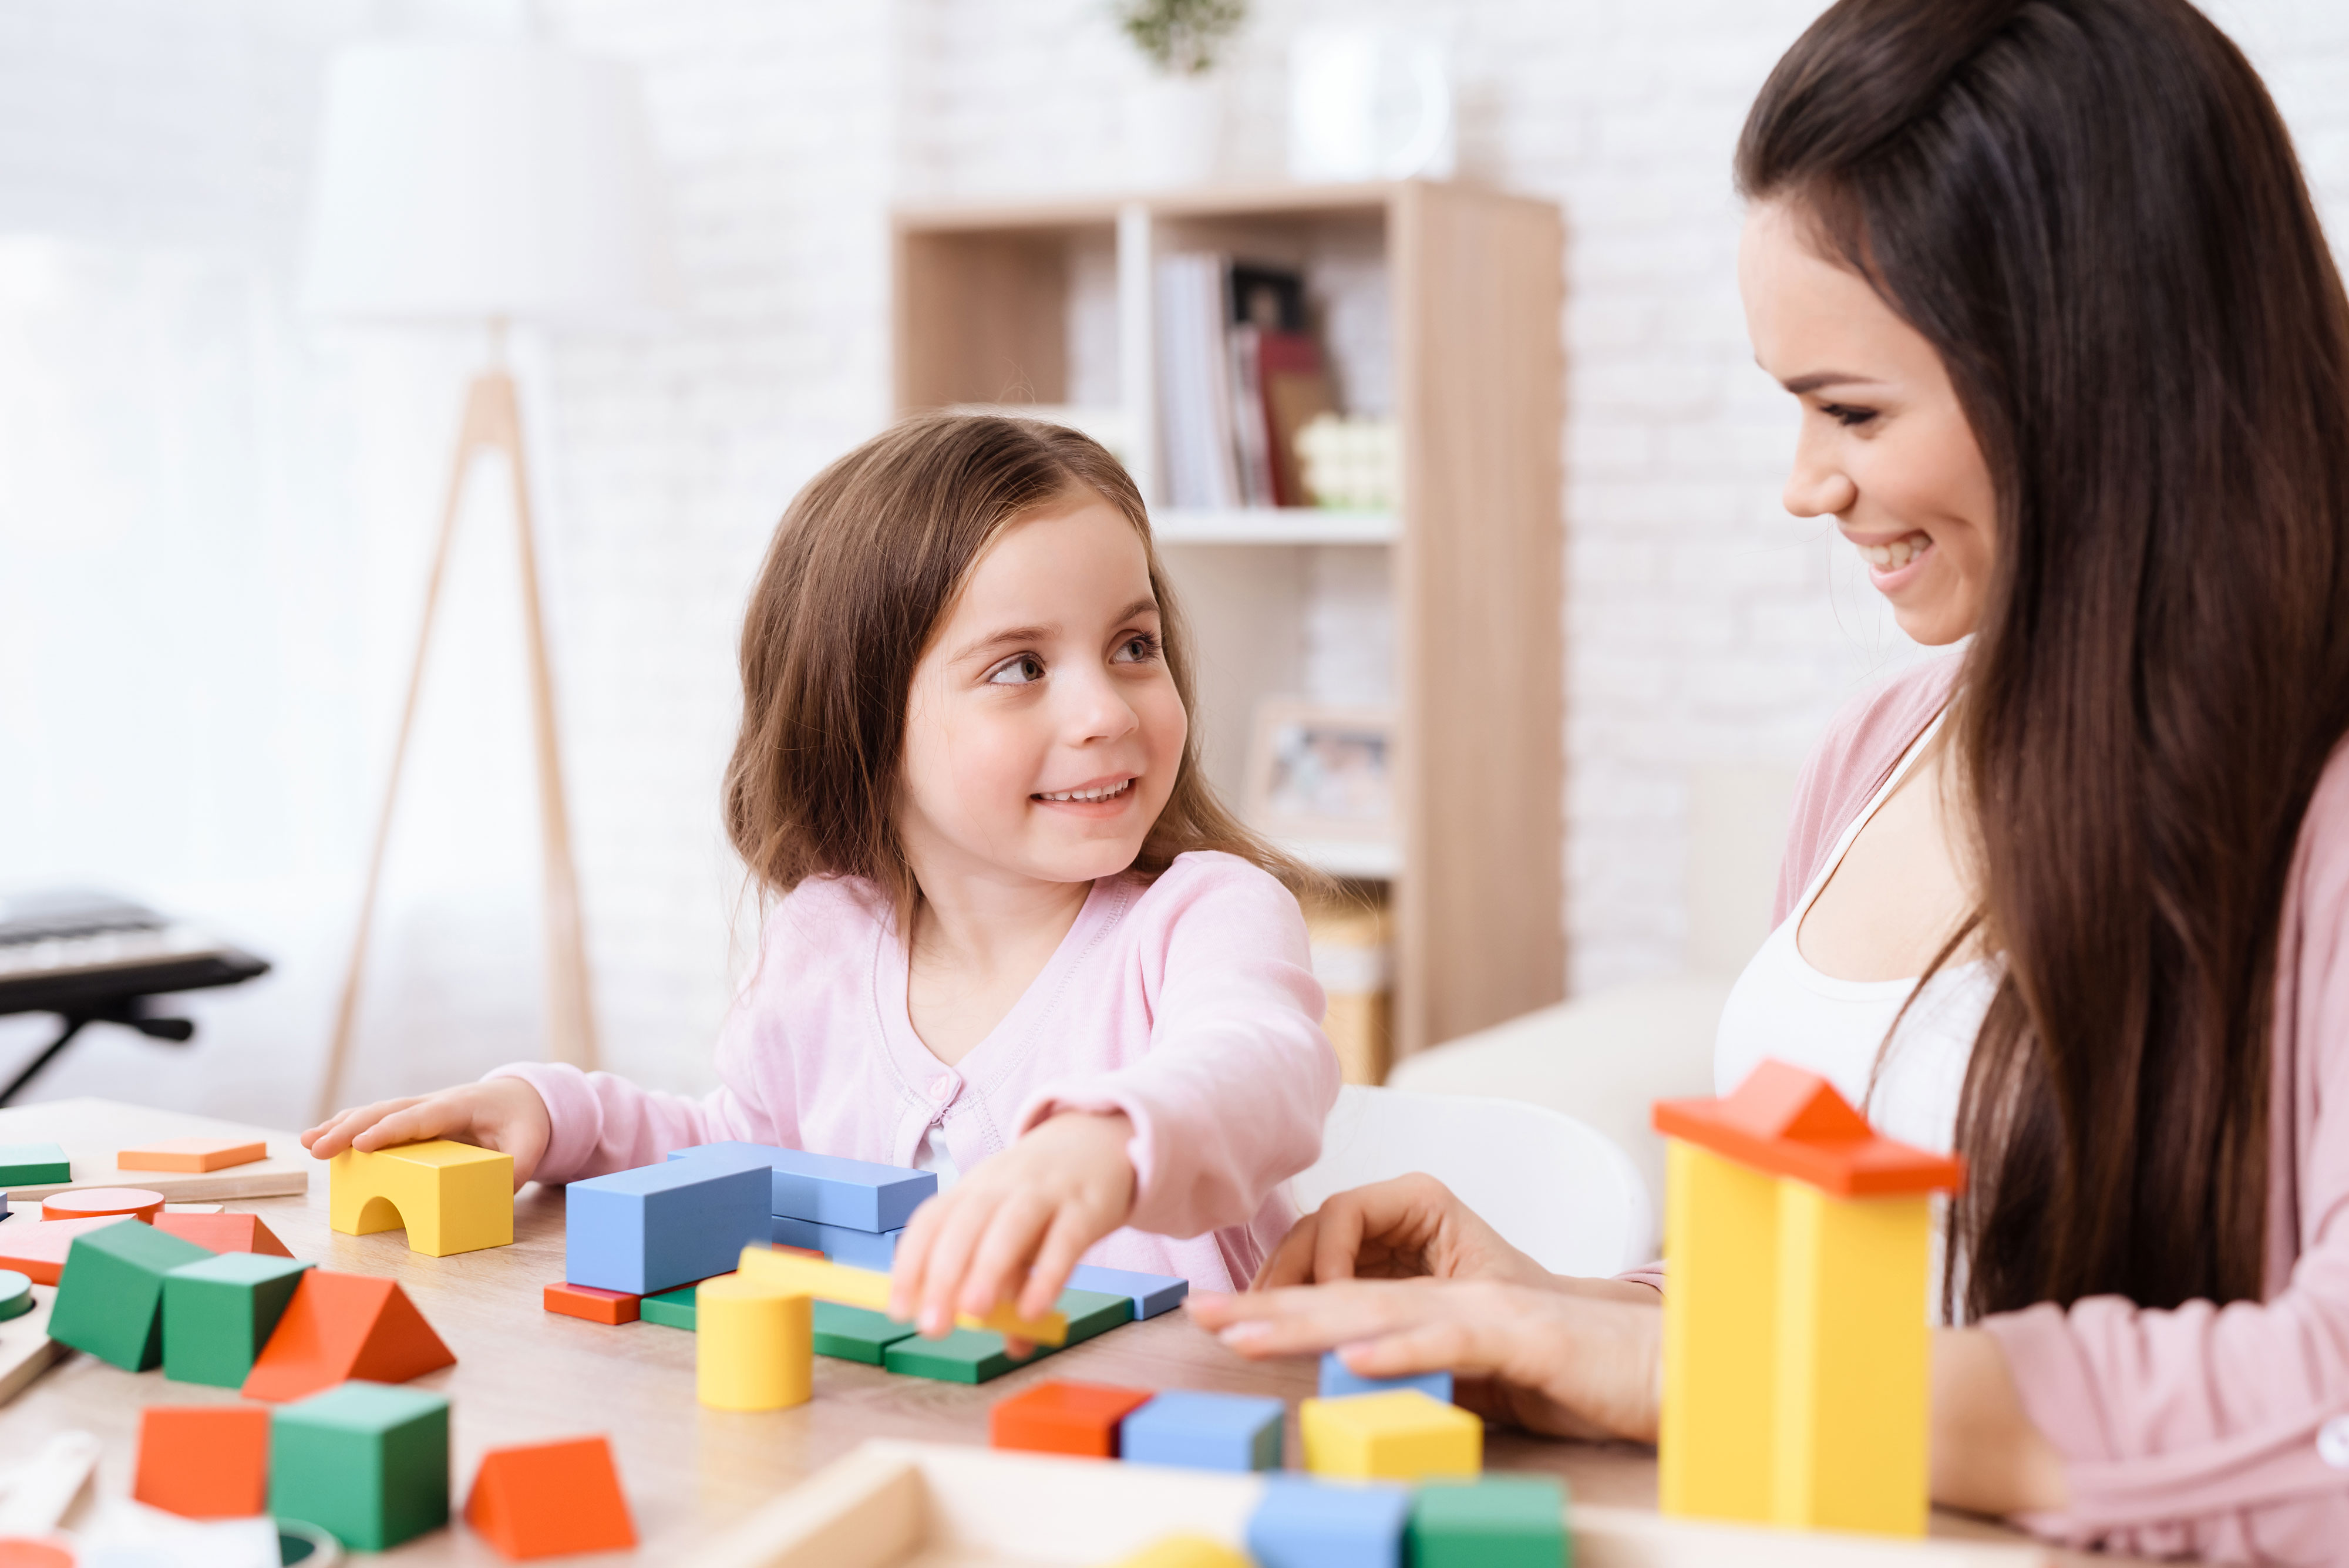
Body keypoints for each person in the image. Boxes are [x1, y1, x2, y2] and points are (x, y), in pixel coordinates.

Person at [1192, 0, 2349, 1555]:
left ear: (2091, 375)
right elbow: (1847, 1296)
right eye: (1790, 403)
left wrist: (1679, 1368)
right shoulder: (1878, 749)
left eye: (1850, 410)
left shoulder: (2317, 810)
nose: (1803, 485)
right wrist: (1562, 1315)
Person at [306, 413, 1341, 1339]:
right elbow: (740, 1156)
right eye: (1021, 666)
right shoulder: (827, 942)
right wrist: (555, 1117)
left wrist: (1107, 1143)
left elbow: (1262, 1066)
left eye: (1133, 645)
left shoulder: (1206, 916)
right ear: (865, 718)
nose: (1107, 711)